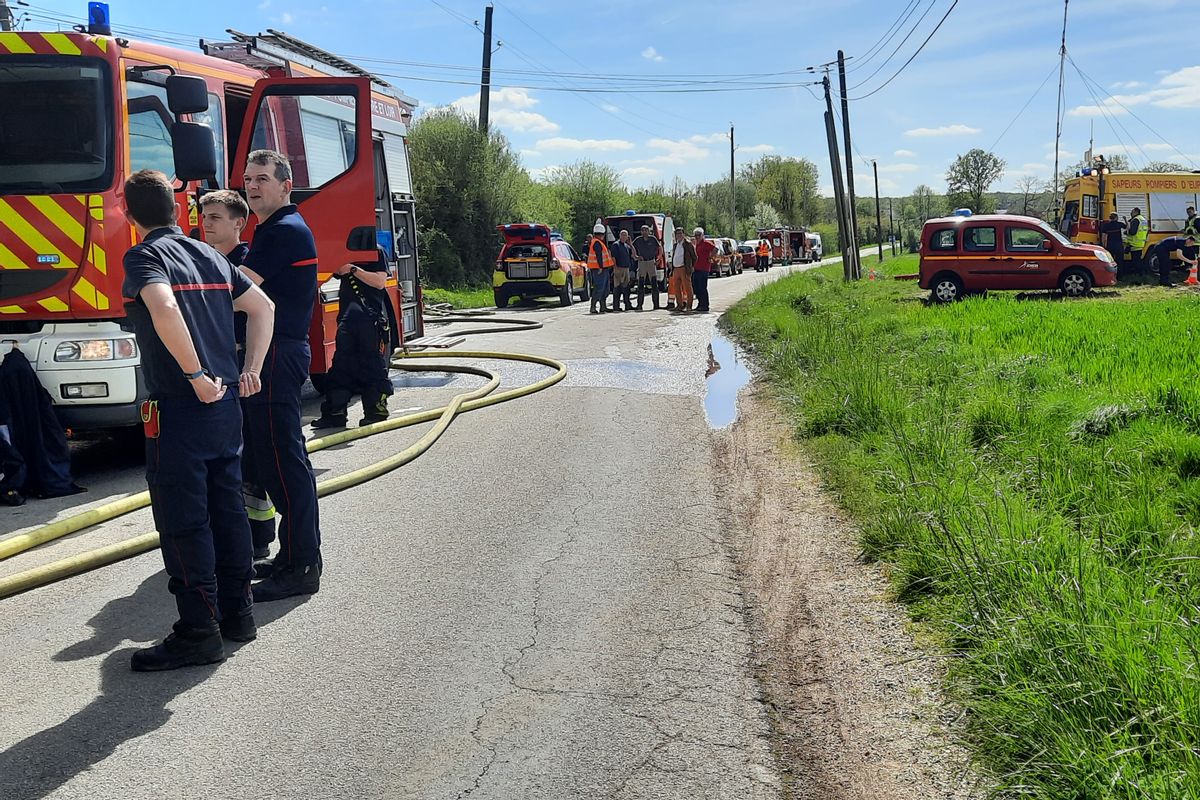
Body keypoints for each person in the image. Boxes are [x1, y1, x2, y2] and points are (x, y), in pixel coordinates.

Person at [120, 170, 275, 671]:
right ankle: (239, 615)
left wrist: (194, 374)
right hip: (226, 407)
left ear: (129, 212)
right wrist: (249, 370)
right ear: (178, 209)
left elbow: (163, 307)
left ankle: (198, 631)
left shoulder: (145, 256)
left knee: (184, 522)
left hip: (182, 410)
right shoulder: (211, 255)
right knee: (227, 511)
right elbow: (263, 307)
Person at [239, 149, 323, 601]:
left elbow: (236, 291)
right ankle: (293, 554)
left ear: (286, 185)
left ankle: (302, 566)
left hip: (276, 355)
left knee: (283, 462)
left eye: (262, 179)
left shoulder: (282, 232)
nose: (252, 186)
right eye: (249, 179)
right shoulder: (272, 230)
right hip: (278, 354)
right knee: (279, 460)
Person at [200, 190, 277, 562]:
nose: (206, 223)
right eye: (204, 216)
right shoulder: (203, 261)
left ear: (238, 223)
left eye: (216, 217)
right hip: (215, 371)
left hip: (241, 371)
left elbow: (257, 312)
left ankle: (258, 535)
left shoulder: (242, 265)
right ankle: (230, 532)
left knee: (248, 458)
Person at [310, 246, 394, 429]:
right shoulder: (345, 251)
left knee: (372, 366)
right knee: (341, 367)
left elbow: (380, 282)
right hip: (347, 321)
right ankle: (335, 414)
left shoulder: (376, 251)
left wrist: (353, 270)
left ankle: (375, 412)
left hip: (370, 321)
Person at [632, 224, 662, 310]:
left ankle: (656, 305)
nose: (644, 232)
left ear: (649, 231)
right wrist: (636, 256)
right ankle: (639, 305)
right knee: (640, 284)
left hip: (651, 262)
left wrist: (659, 258)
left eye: (646, 230)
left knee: (654, 284)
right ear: (641, 231)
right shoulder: (638, 240)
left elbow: (660, 247)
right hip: (642, 263)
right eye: (643, 230)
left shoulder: (653, 239)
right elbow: (632, 247)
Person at [587, 221, 614, 314]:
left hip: (603, 269)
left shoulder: (597, 242)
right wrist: (600, 267)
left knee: (605, 288)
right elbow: (599, 256)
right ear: (602, 234)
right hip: (599, 269)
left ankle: (603, 306)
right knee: (599, 288)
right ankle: (593, 307)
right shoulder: (597, 243)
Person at [669, 227, 695, 312]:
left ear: (683, 234)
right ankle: (680, 305)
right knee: (677, 288)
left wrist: (690, 267)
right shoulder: (675, 245)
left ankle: (689, 306)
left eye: (680, 233)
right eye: (677, 234)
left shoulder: (688, 244)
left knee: (687, 288)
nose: (679, 235)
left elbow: (694, 257)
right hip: (676, 269)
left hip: (684, 268)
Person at [610, 229, 634, 312]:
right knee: (617, 288)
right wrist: (615, 267)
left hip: (626, 268)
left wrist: (631, 244)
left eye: (625, 235)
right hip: (618, 268)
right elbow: (613, 257)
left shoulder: (627, 246)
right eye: (622, 235)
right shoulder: (616, 245)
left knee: (626, 288)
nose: (624, 236)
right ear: (619, 236)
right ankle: (616, 306)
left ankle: (627, 305)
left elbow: (634, 255)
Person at [692, 228, 715, 314]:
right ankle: (700, 304)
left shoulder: (706, 243)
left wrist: (710, 257)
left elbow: (715, 249)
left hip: (704, 269)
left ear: (702, 235)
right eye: (696, 235)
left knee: (702, 287)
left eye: (699, 235)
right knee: (696, 288)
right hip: (696, 268)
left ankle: (705, 305)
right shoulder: (696, 244)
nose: (697, 237)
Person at [1125, 207, 1148, 276]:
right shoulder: (1143, 219)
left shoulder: (1136, 220)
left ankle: (1139, 275)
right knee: (1138, 259)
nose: (1130, 213)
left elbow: (1133, 232)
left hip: (1135, 243)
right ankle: (1140, 274)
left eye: (1132, 212)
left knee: (1136, 261)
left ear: (1136, 212)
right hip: (1140, 243)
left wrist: (1127, 232)